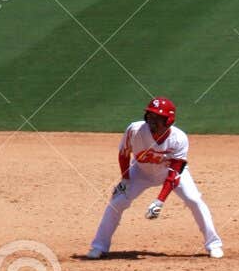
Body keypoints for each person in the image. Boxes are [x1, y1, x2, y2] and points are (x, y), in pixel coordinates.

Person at [87, 96, 224, 259]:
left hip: (169, 173)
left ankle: (213, 244)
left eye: (157, 117)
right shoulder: (135, 130)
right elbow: (124, 154)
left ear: (168, 120)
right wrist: (125, 180)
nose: (151, 120)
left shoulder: (179, 139)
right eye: (150, 115)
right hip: (140, 172)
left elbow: (174, 174)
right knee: (117, 202)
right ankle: (99, 246)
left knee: (194, 200)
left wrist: (160, 200)